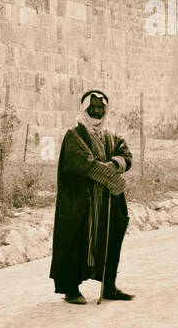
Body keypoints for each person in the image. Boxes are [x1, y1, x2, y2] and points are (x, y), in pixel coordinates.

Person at [49, 89, 134, 304]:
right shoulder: (74, 135)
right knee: (75, 240)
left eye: (100, 107)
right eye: (92, 107)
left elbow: (126, 155)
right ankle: (71, 289)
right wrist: (111, 176)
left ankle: (109, 287)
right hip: (80, 202)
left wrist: (115, 163)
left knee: (108, 238)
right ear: (84, 108)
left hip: (105, 202)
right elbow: (82, 163)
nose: (96, 111)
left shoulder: (110, 135)